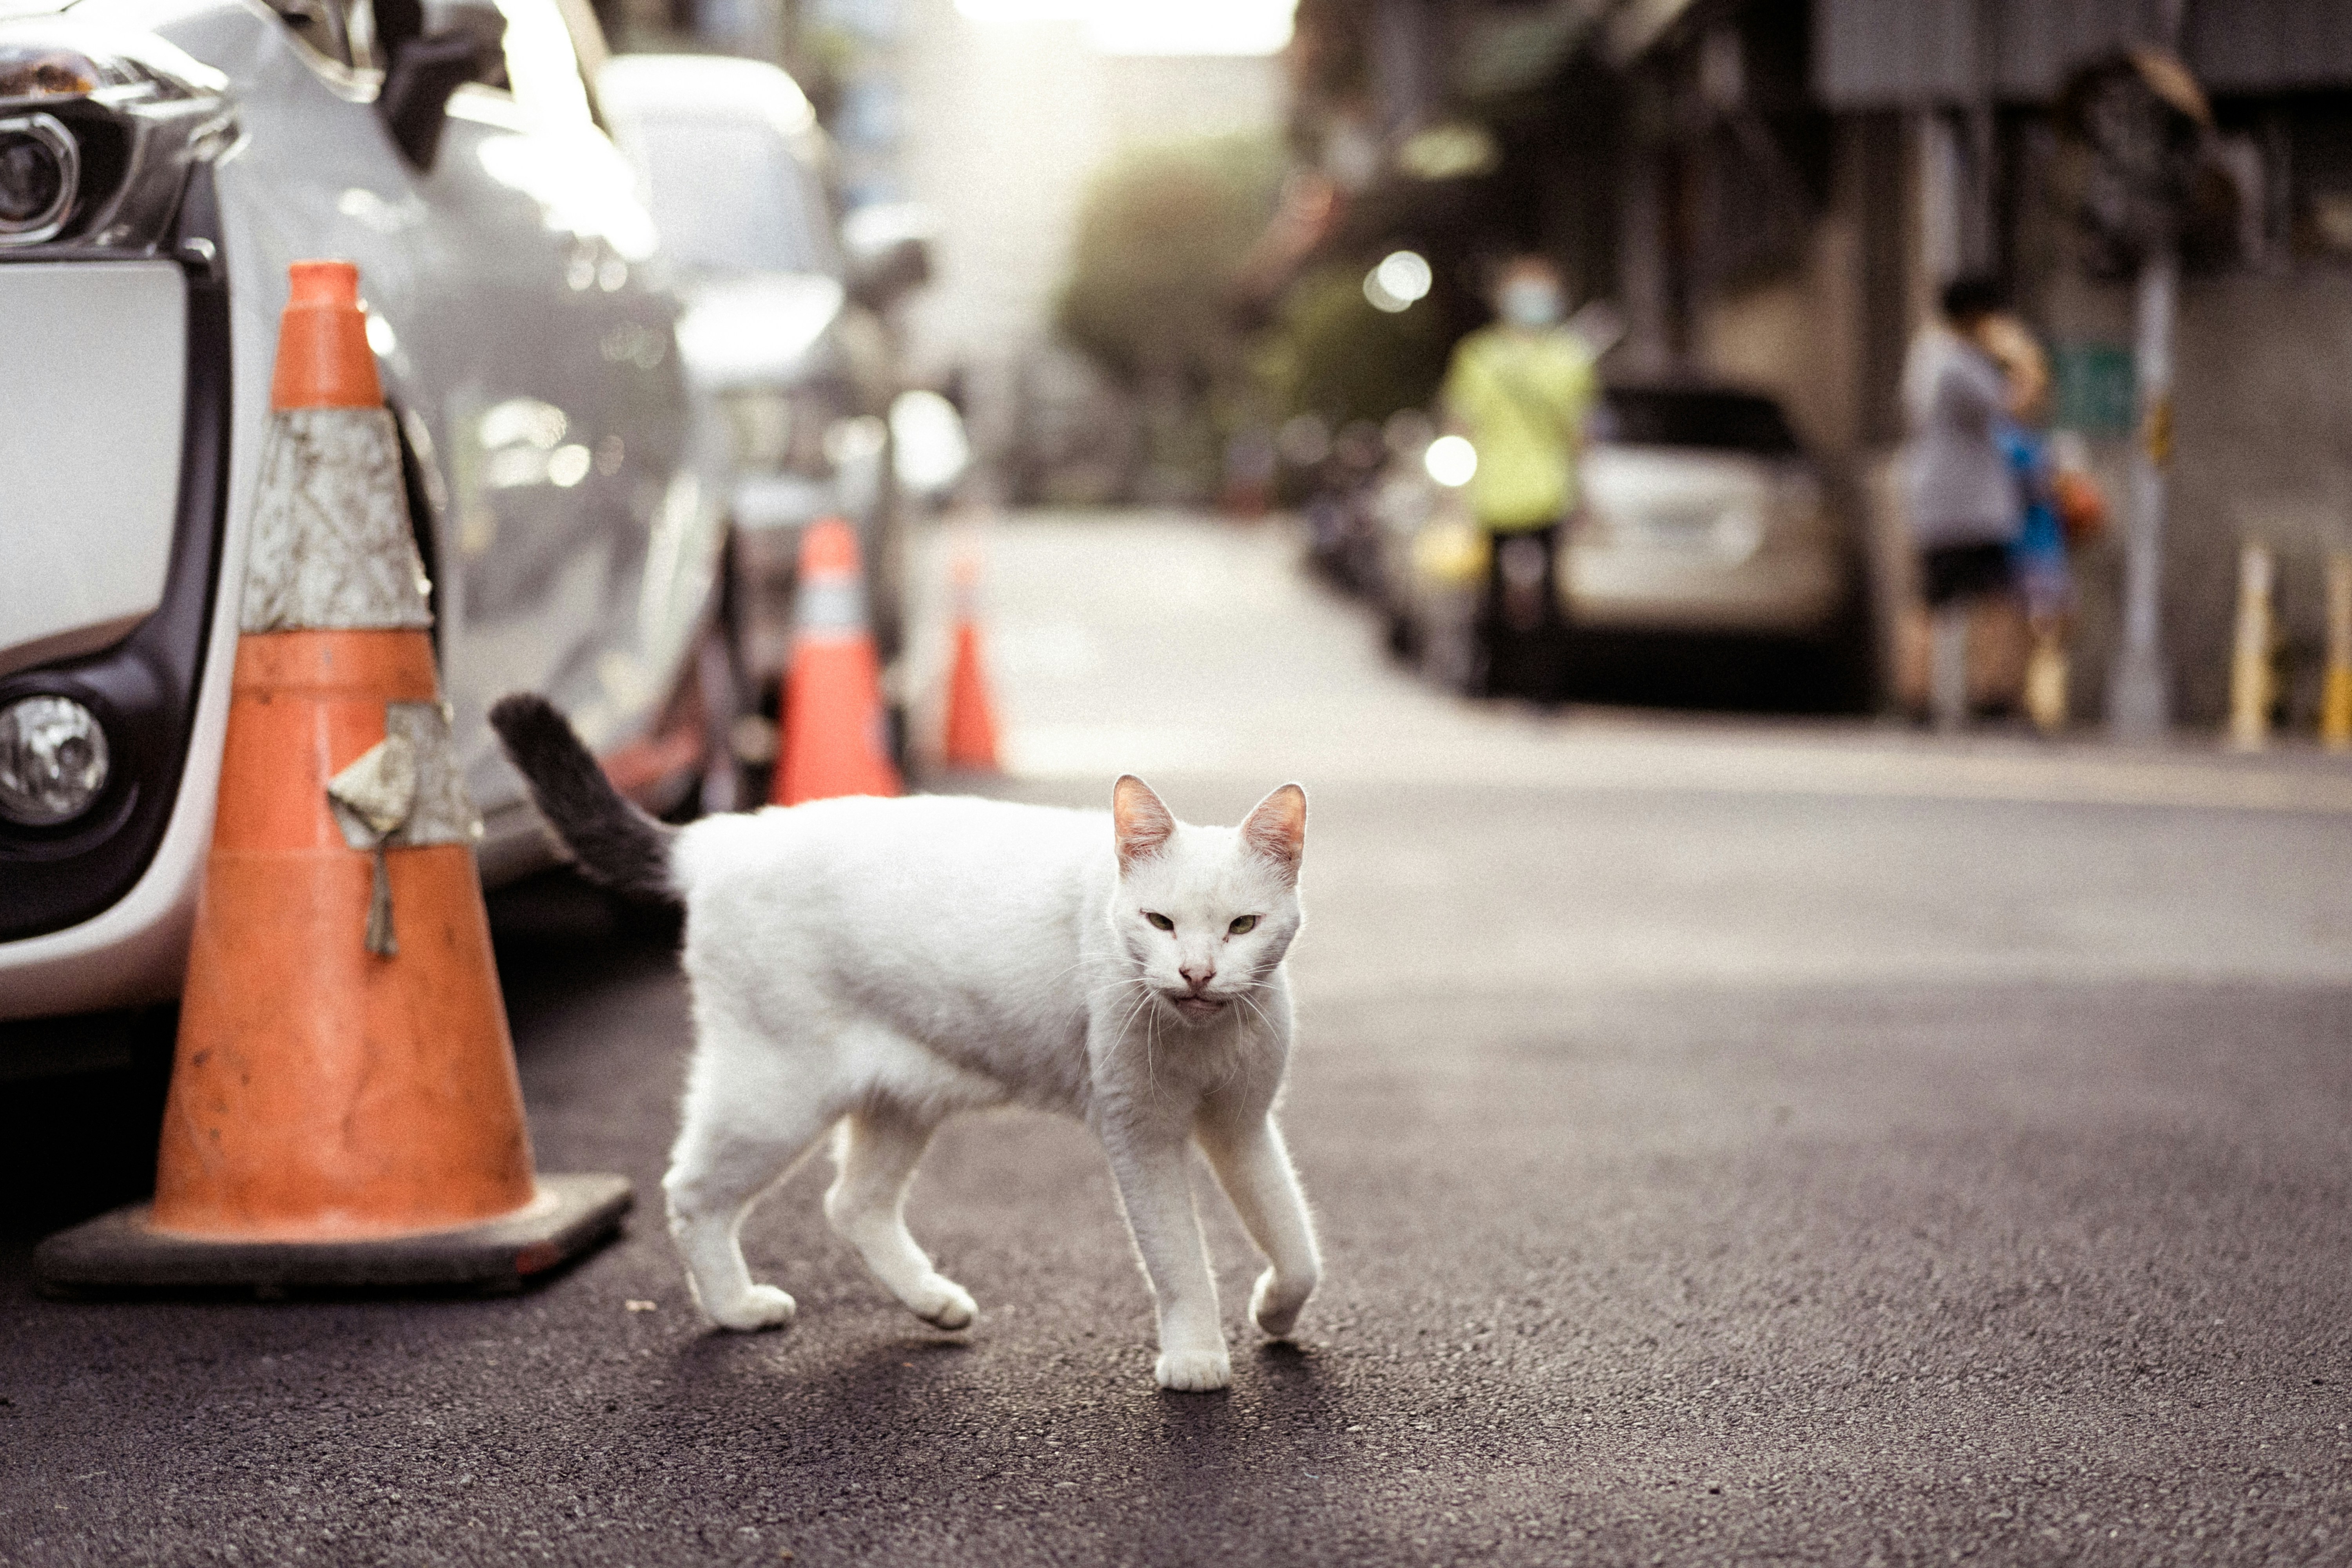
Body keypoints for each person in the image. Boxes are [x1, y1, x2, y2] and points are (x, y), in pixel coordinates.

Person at [1438, 254, 1598, 700]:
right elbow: (1459, 426)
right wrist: (1453, 493)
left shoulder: (1570, 357)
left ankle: (1542, 691)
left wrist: (1586, 495)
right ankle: (1494, 680)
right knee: (1491, 597)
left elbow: (1580, 435)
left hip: (1549, 491)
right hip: (1496, 491)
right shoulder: (1478, 356)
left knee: (1549, 603)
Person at [1902, 275, 2022, 731]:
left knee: (1932, 601)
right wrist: (2020, 357)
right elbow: (2017, 404)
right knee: (1996, 601)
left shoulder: (1926, 354)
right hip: (1968, 507)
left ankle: (1918, 699)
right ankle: (1991, 696)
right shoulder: (1958, 363)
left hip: (1940, 502)